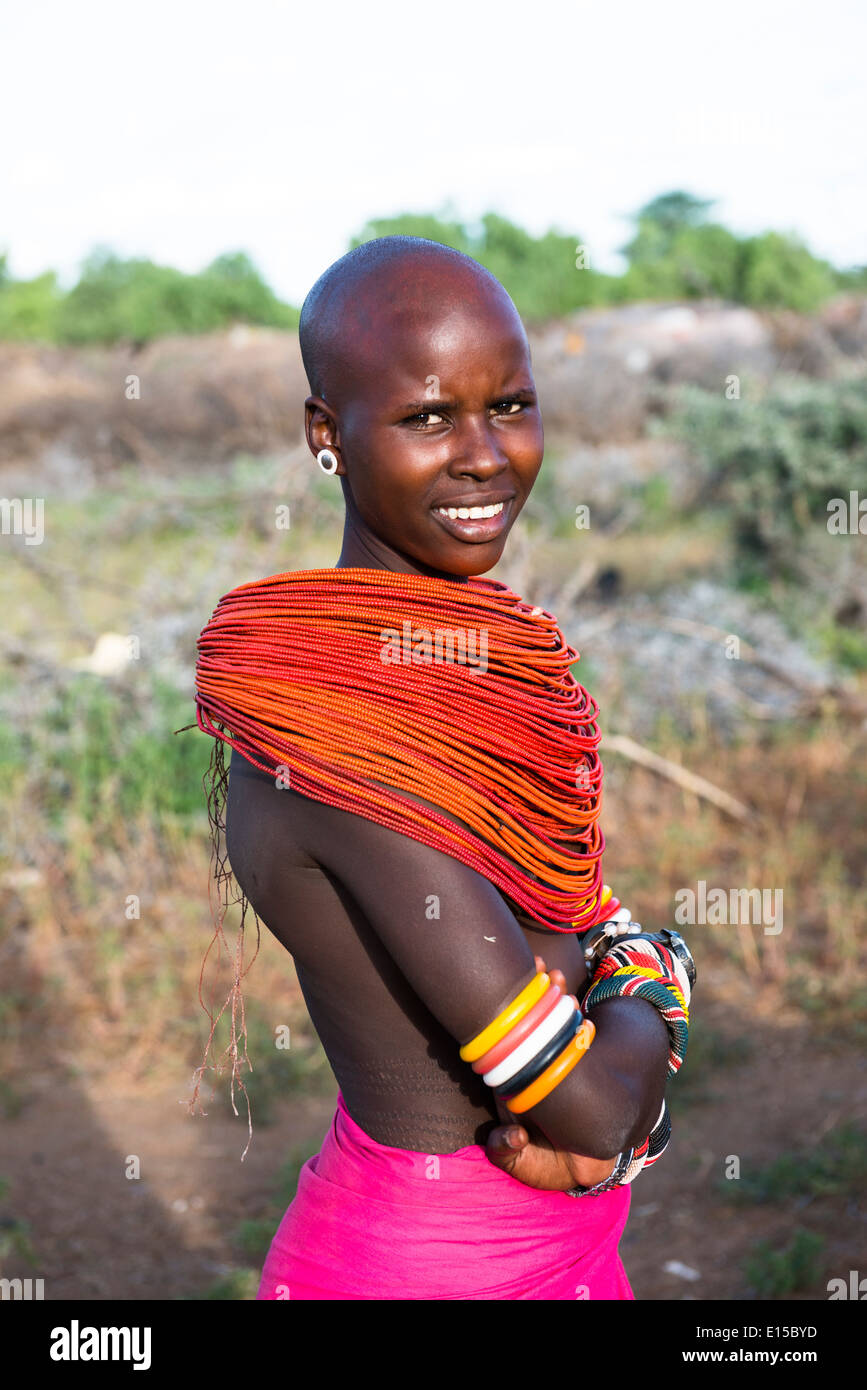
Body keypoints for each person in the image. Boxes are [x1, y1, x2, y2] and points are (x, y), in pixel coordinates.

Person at [212, 236, 671, 1299]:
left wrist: (628, 1011)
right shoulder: (342, 729)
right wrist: (658, 982)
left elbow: (577, 954)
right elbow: (593, 1111)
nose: (485, 456)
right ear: (327, 434)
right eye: (427, 417)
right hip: (431, 1264)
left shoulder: (462, 665)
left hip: (529, 1244)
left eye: (510, 405)